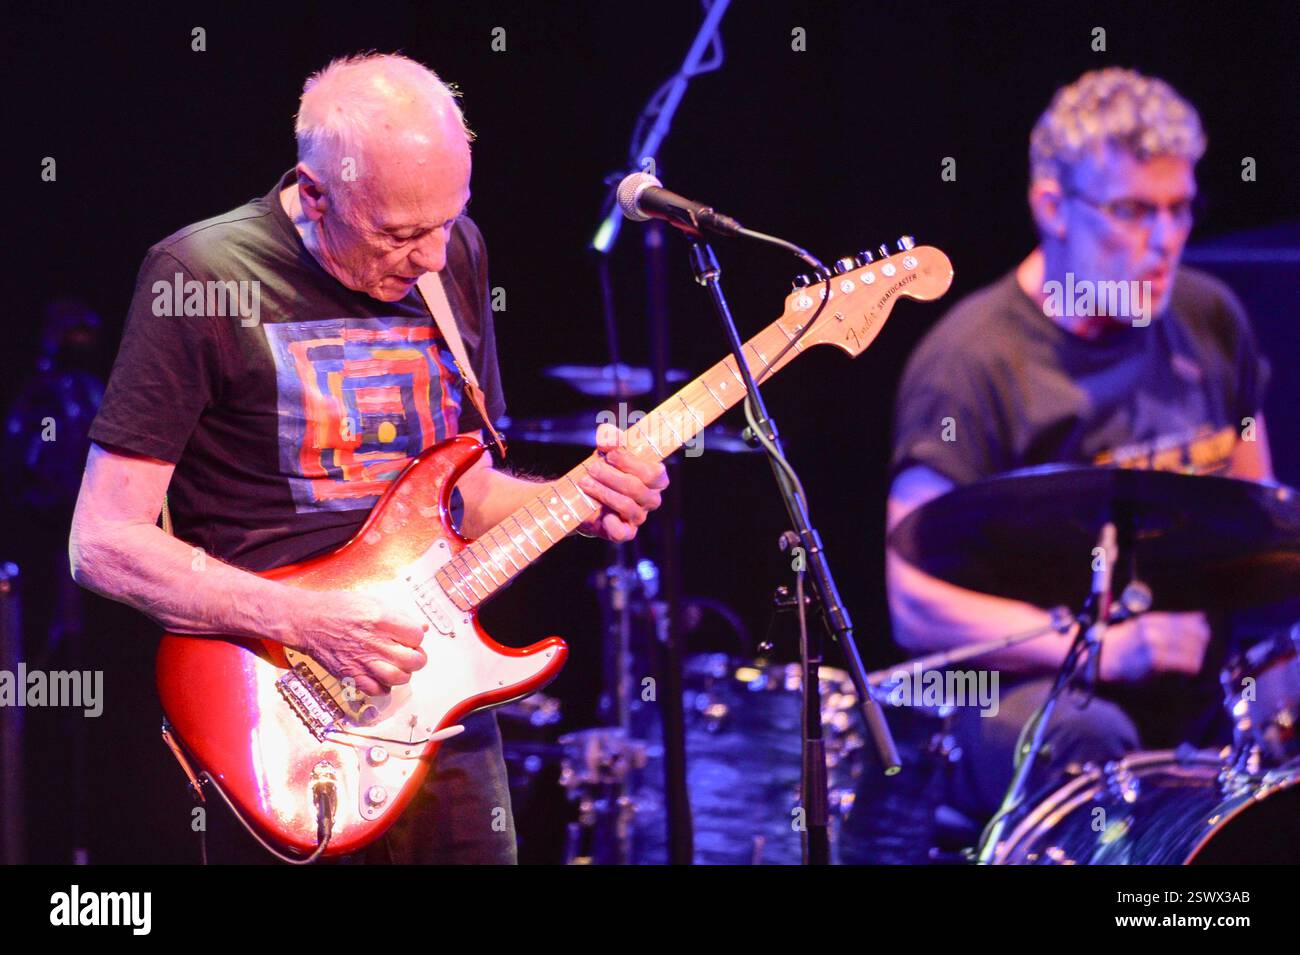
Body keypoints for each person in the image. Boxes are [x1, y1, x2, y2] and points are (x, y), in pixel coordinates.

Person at [68, 53, 668, 864]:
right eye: (399, 234)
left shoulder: (454, 255)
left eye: (449, 221)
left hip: (439, 705)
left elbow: (468, 495)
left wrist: (577, 501)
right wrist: (307, 621)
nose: (432, 256)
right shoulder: (202, 275)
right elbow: (104, 543)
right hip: (279, 712)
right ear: (316, 194)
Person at [884, 68, 1274, 830]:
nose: (1165, 240)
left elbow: (1261, 526)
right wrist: (1101, 649)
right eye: (1132, 211)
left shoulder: (1210, 316)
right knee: (1088, 736)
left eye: (1179, 209)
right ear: (1053, 207)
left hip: (1193, 677)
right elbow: (912, 600)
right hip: (1018, 690)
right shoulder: (971, 362)